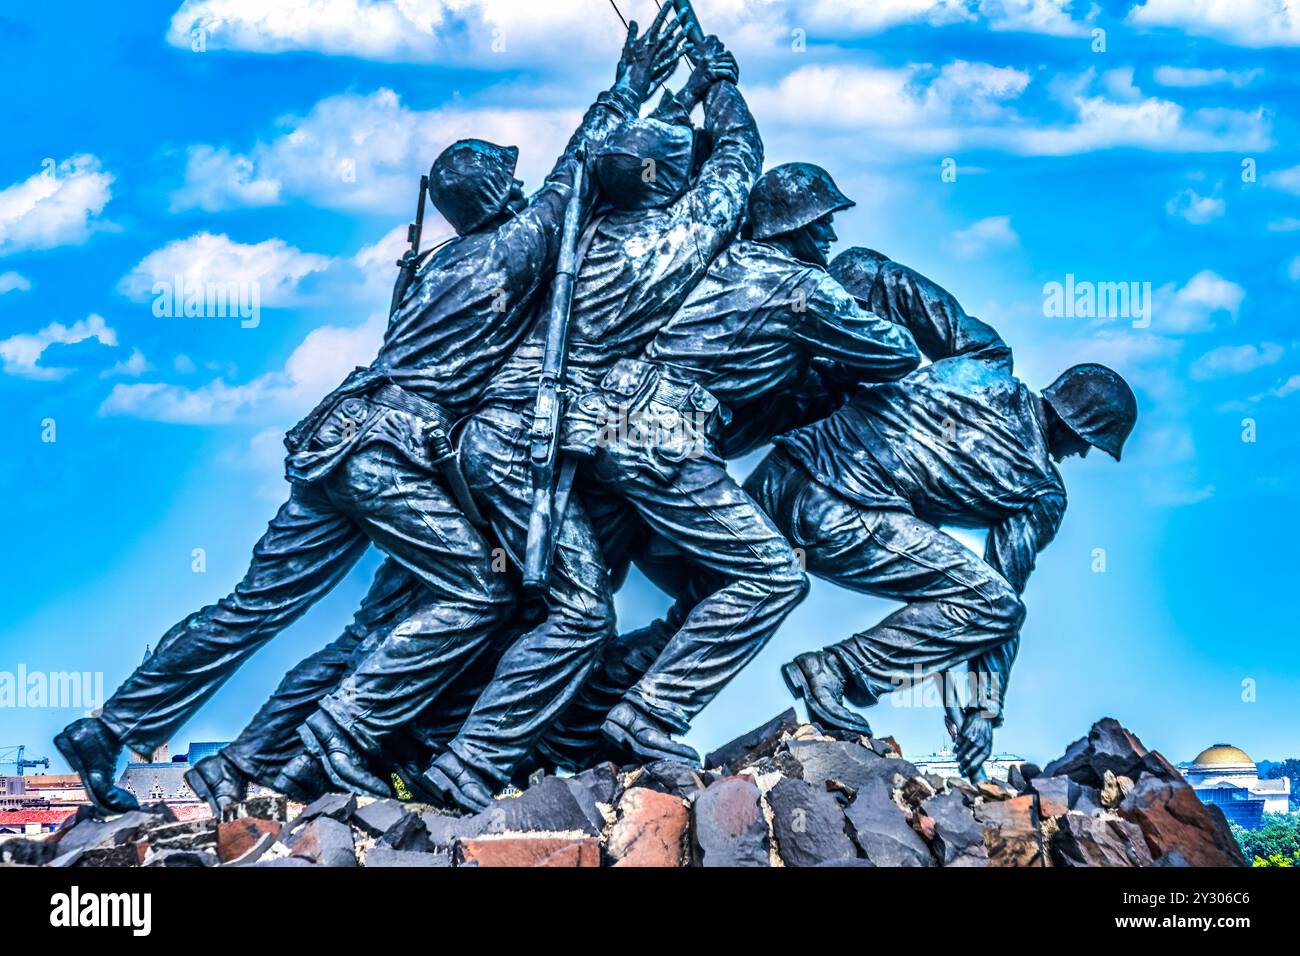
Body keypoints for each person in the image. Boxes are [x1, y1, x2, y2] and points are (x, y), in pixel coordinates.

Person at [56, 12, 685, 814]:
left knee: (254, 606)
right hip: (388, 449)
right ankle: (342, 735)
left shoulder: (437, 267)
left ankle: (113, 726)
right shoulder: (507, 249)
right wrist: (633, 80)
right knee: (476, 592)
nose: (527, 189)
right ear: (498, 195)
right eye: (512, 182)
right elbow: (577, 173)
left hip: (335, 440)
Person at [313, 33, 762, 813]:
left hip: (481, 440)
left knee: (514, 599)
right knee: (579, 611)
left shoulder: (562, 231)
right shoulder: (663, 245)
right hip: (529, 441)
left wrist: (650, 91)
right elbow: (738, 163)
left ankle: (424, 745)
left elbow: (591, 160)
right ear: (666, 184)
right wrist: (718, 83)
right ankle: (447, 756)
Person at [560, 166, 920, 766]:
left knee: (701, 587)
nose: (830, 234)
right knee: (771, 578)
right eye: (822, 221)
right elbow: (895, 353)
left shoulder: (717, 261)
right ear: (794, 225)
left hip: (608, 426)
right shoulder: (803, 288)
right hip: (663, 438)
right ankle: (648, 713)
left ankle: (577, 720)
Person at [756, 247, 1138, 778]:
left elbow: (879, 275)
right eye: (1092, 444)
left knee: (702, 597)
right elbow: (998, 604)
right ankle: (834, 669)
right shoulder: (1042, 491)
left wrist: (828, 294)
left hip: (778, 473)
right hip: (836, 516)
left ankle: (629, 704)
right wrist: (983, 709)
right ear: (1083, 430)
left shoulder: (983, 355)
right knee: (997, 605)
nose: (1085, 454)